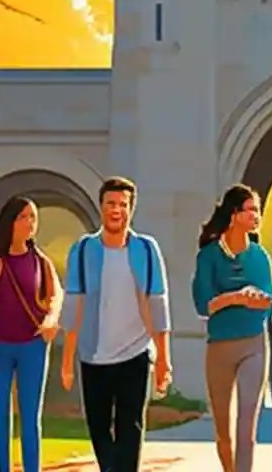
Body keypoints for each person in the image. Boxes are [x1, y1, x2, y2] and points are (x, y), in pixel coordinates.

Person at [62, 176, 173, 472]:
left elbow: (158, 305)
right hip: (93, 355)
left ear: (131, 209)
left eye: (123, 204)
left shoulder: (146, 249)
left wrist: (164, 358)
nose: (116, 210)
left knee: (130, 428)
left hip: (135, 354)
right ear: (101, 207)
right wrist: (67, 360)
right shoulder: (82, 250)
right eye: (111, 203)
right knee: (98, 428)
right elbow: (72, 306)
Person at [0, 196, 63, 472]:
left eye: (33, 217)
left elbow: (56, 295)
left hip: (33, 346)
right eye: (23, 217)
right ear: (10, 222)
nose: (30, 223)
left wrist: (51, 321)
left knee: (31, 418)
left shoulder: (41, 262)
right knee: (1, 416)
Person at [192, 184, 272, 472]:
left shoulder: (260, 256)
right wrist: (236, 298)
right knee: (224, 432)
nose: (256, 216)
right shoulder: (208, 256)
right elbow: (203, 304)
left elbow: (271, 300)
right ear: (233, 214)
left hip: (254, 344)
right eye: (250, 210)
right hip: (220, 347)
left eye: (258, 210)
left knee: (246, 429)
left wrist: (259, 299)